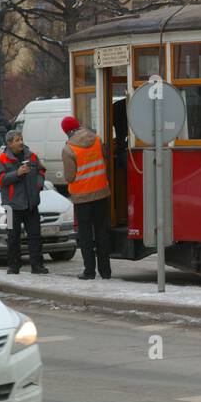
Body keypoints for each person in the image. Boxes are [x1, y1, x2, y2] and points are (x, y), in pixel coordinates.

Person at [60, 115, 111, 280]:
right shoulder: (96, 139)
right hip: (101, 194)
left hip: (82, 198)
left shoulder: (69, 149)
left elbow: (69, 176)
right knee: (102, 233)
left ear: (67, 131)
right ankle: (106, 271)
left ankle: (89, 271)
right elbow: (104, 158)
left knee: (86, 236)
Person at [0, 129, 48, 275]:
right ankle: (13, 266)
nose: (21, 142)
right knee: (13, 237)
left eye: (21, 139)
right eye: (17, 140)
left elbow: (41, 171)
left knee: (35, 236)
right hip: (11, 206)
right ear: (9, 143)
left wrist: (39, 184)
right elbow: (0, 180)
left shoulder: (32, 156)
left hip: (31, 204)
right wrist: (17, 173)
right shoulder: (1, 160)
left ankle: (37, 266)